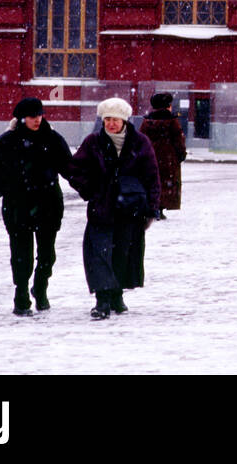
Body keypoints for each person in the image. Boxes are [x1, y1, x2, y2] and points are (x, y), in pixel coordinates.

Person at [69, 97, 160, 320]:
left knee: (122, 254)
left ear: (125, 121)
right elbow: (75, 170)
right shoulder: (93, 142)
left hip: (130, 209)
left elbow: (152, 176)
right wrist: (90, 190)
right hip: (102, 208)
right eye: (107, 119)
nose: (111, 124)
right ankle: (102, 300)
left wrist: (152, 207)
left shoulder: (140, 143)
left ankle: (117, 294)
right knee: (99, 254)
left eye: (115, 120)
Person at [0, 98, 72, 315]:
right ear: (21, 118)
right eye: (32, 116)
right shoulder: (6, 142)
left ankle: (40, 287)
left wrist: (88, 185)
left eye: (40, 115)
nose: (37, 120)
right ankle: (21, 293)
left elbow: (70, 168)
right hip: (17, 204)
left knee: (47, 255)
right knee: (22, 254)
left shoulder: (53, 139)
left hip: (48, 203)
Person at [140, 92, 186, 219]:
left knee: (152, 181)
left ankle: (153, 206)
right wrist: (181, 155)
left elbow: (141, 139)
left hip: (150, 157)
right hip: (168, 158)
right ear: (167, 106)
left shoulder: (147, 121)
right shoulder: (172, 121)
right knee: (166, 182)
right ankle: (160, 207)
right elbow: (179, 140)